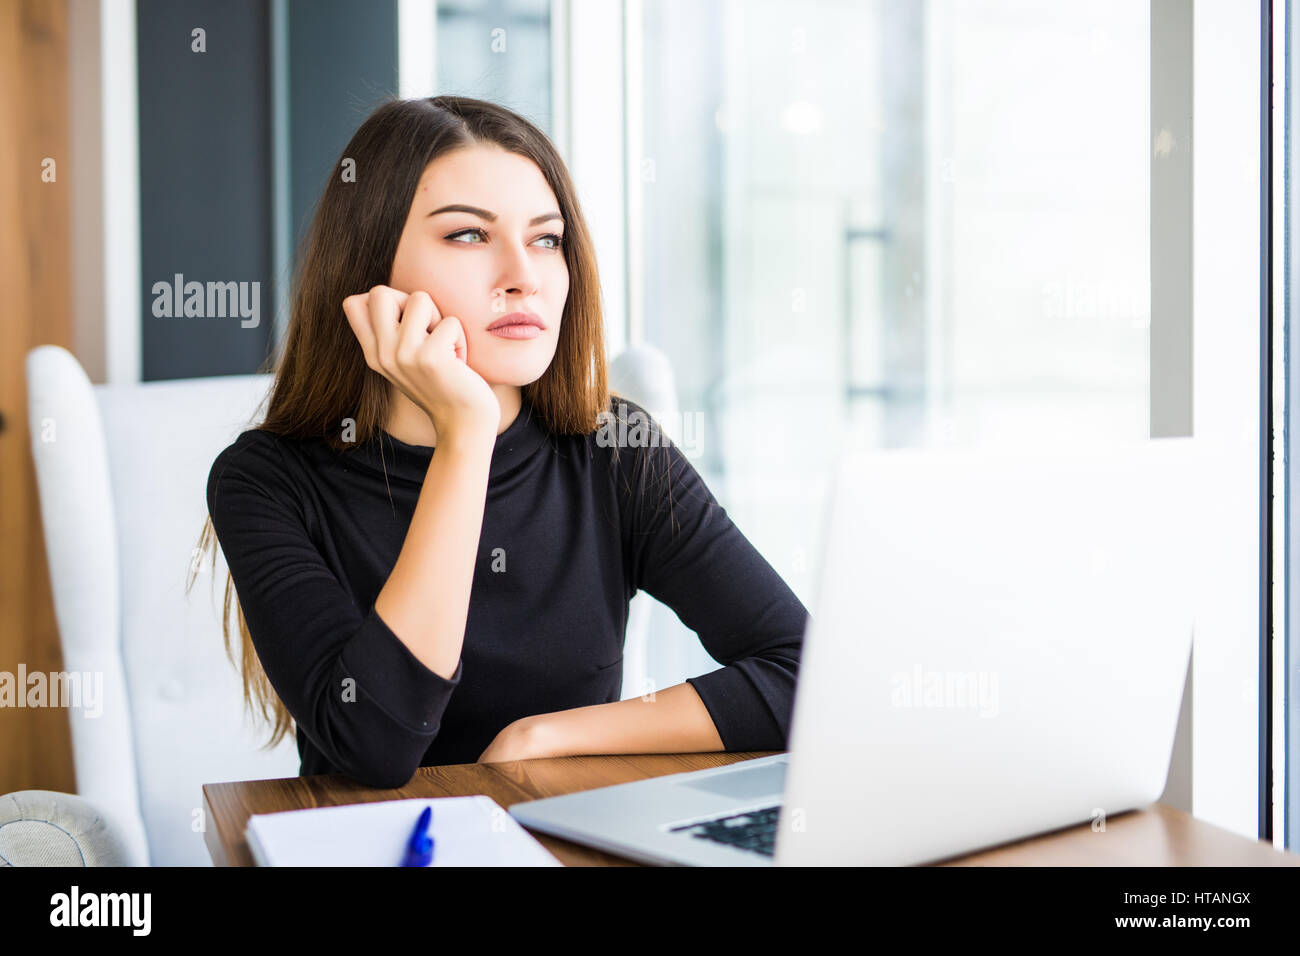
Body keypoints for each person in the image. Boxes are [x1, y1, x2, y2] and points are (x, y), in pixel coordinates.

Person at [193, 95, 809, 789]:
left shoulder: (617, 450)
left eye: (547, 239)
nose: (524, 275)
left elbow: (807, 675)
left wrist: (547, 735)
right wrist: (465, 436)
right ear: (369, 267)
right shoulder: (265, 481)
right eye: (468, 235)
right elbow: (374, 743)